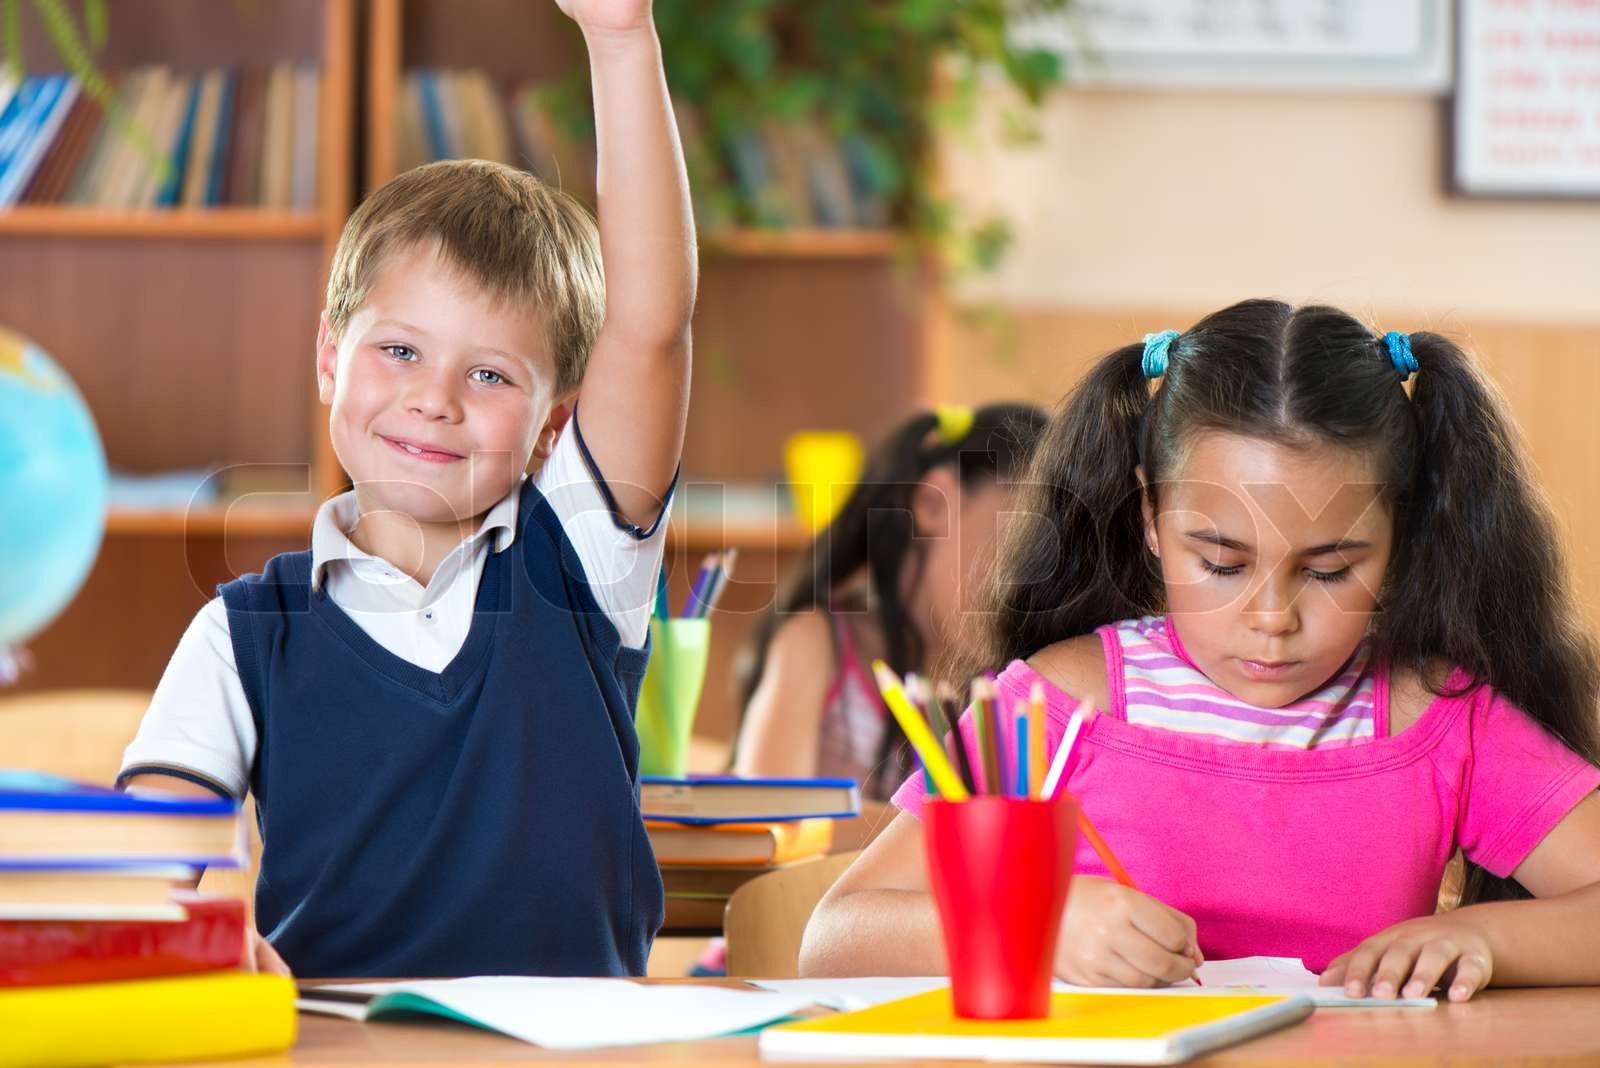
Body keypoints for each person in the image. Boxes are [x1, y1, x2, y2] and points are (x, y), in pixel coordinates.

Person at [117, 0, 695, 978]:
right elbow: (157, 850)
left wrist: (619, 34)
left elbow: (649, 327)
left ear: (555, 424)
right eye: (398, 351)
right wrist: (202, 920)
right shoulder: (246, 632)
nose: (433, 401)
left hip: (577, 1052)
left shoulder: (584, 559)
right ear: (330, 361)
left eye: (491, 375)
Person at [802, 299, 1600, 1003]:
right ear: (1151, 516)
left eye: (1330, 569)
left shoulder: (1437, 716)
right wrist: (1042, 926)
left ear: (1401, 537)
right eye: (1220, 563)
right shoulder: (1060, 705)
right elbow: (839, 935)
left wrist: (1488, 939)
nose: (1271, 617)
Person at [733, 404, 1046, 813]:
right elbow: (762, 821)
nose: (1021, 589)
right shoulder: (818, 643)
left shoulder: (1006, 685)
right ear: (934, 503)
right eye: (1008, 551)